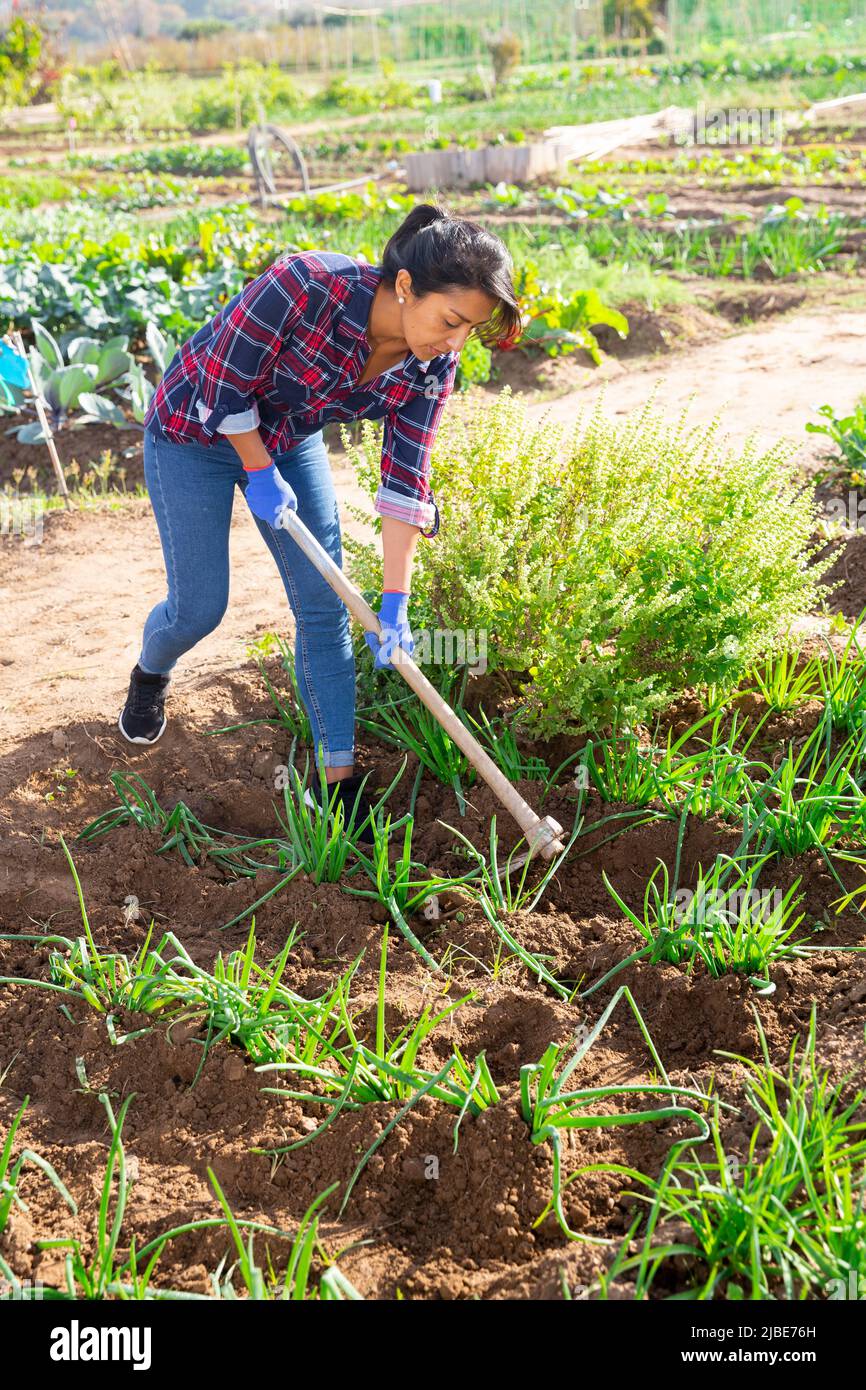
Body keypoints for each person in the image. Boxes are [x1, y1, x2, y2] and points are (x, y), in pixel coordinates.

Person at [120, 203, 520, 831]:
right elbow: (223, 385)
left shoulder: (432, 364)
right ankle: (150, 672)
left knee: (326, 602)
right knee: (200, 607)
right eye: (451, 320)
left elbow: (405, 481)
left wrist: (396, 603)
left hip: (286, 439)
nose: (456, 342)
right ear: (408, 286)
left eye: (470, 328)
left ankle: (337, 780)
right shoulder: (306, 287)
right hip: (192, 430)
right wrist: (256, 471)